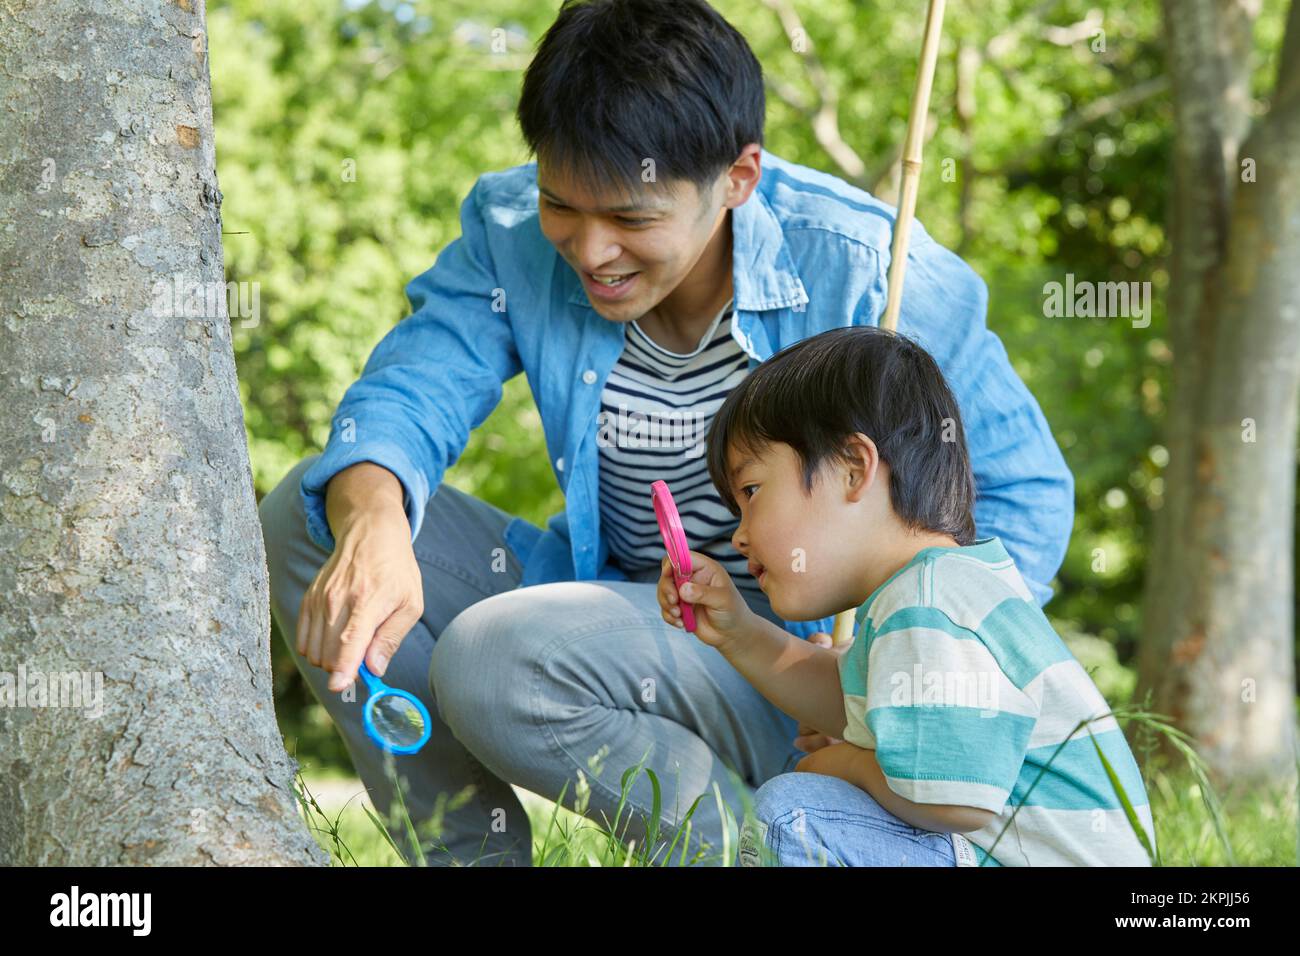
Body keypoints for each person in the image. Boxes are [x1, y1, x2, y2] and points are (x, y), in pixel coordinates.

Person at [258, 0, 1074, 866]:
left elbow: (1025, 495)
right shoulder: (507, 234)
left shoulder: (870, 263)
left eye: (632, 218)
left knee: (496, 658)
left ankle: (754, 853)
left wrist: (895, 683)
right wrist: (375, 516)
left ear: (739, 177)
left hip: (800, 673)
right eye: (560, 204)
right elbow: (411, 387)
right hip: (606, 605)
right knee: (313, 510)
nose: (590, 249)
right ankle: (464, 858)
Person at [654, 325, 1155, 866]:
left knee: (793, 815)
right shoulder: (939, 588)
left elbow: (954, 798)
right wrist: (738, 631)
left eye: (751, 491)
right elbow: (842, 703)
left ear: (853, 467)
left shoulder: (929, 601)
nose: (740, 534)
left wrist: (845, 763)